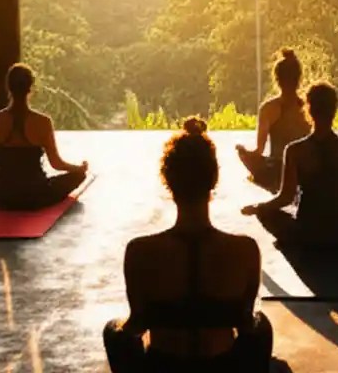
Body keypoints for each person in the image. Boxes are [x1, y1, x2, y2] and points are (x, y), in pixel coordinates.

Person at [104, 117, 272, 372]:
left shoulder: (139, 251)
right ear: (213, 180)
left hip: (164, 367)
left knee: (112, 330)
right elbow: (247, 326)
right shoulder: (245, 250)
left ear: (168, 182)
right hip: (222, 367)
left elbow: (136, 326)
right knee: (262, 326)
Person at [242, 82, 338, 247]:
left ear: (308, 110)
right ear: (334, 111)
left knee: (266, 214)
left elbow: (285, 197)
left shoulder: (294, 151)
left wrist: (259, 207)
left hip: (305, 230)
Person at [0, 63, 88, 210]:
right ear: (30, 88)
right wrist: (79, 169)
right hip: (36, 196)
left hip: (2, 196)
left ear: (8, 87)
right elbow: (56, 163)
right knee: (79, 176)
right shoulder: (43, 122)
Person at [237, 49, 310, 191]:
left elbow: (259, 151)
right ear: (299, 79)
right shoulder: (309, 106)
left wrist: (244, 153)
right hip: (305, 172)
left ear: (276, 79)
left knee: (250, 158)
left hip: (278, 171)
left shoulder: (268, 109)